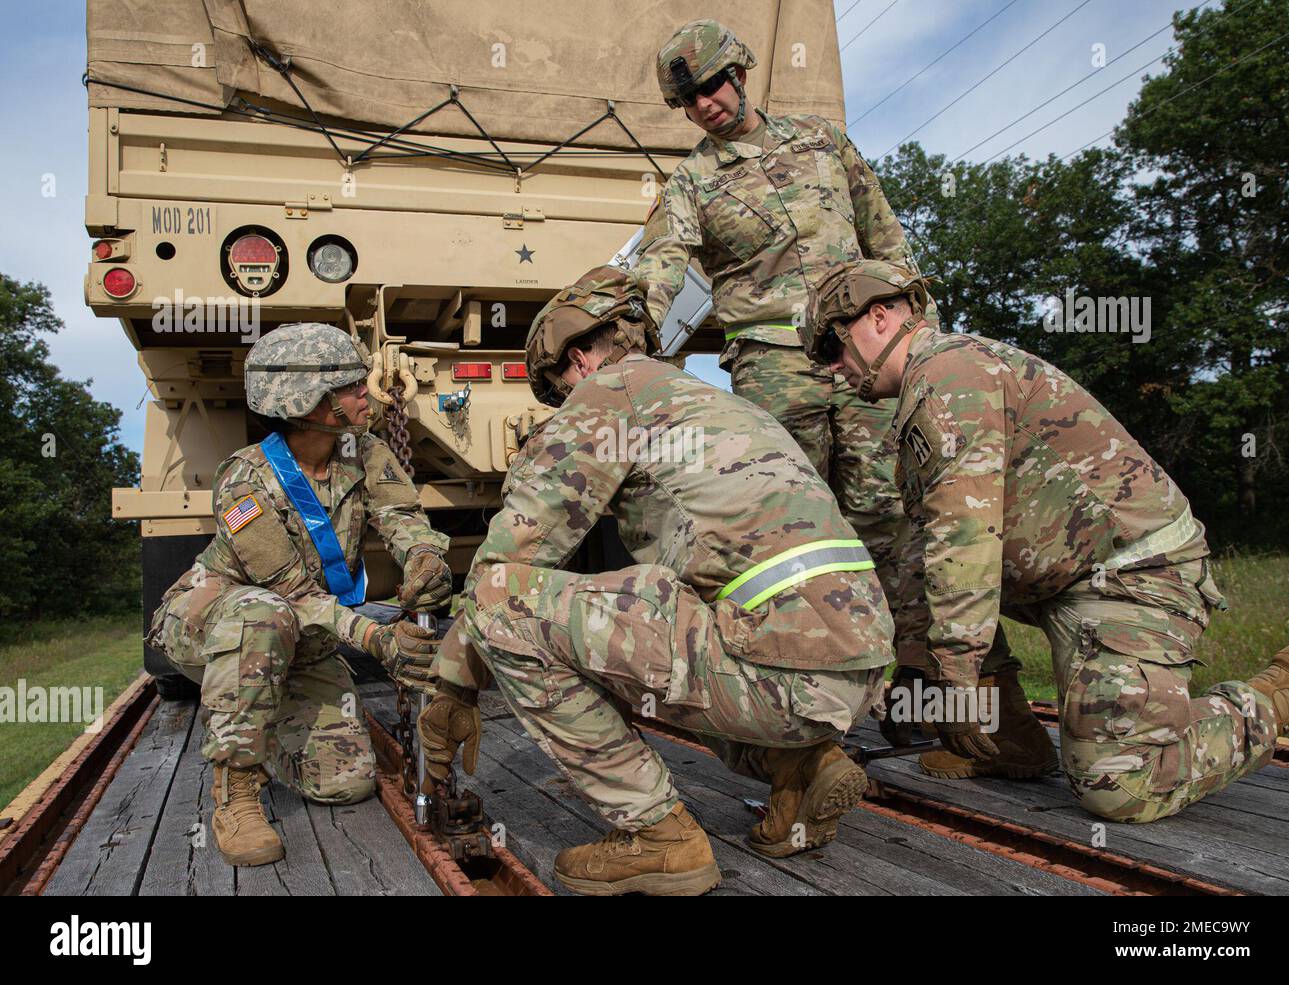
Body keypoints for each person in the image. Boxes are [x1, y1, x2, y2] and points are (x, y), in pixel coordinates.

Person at [420, 266, 894, 895]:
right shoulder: (717, 403)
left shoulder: (608, 394)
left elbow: (508, 563)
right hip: (852, 667)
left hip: (780, 673)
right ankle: (799, 766)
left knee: (501, 604)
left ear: (580, 354)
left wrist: (449, 690)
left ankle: (656, 834)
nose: (563, 400)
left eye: (559, 384)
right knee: (658, 619)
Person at [801, 259, 1289, 821]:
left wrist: (956, 674)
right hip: (1065, 580)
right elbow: (925, 551)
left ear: (880, 316)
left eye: (832, 346)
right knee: (909, 562)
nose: (833, 368)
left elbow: (965, 535)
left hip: (1134, 576)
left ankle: (1280, 690)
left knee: (1121, 787)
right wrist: (921, 668)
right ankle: (1010, 739)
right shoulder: (933, 383)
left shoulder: (952, 375)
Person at [633, 18, 937, 621]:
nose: (705, 104)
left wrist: (921, 331)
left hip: (865, 356)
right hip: (772, 365)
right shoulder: (691, 182)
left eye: (712, 85)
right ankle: (808, 664)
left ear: (739, 74)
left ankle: (913, 672)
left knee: (888, 511)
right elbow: (664, 259)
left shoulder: (822, 140)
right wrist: (636, 337)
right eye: (689, 100)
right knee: (787, 516)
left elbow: (885, 237)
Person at [149, 323, 453, 865]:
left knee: (347, 783)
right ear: (308, 401)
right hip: (219, 625)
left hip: (303, 641)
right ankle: (235, 792)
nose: (368, 394)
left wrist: (425, 557)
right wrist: (379, 641)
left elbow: (402, 517)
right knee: (262, 616)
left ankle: (261, 734)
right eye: (352, 386)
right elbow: (290, 592)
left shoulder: (365, 451)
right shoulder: (244, 480)